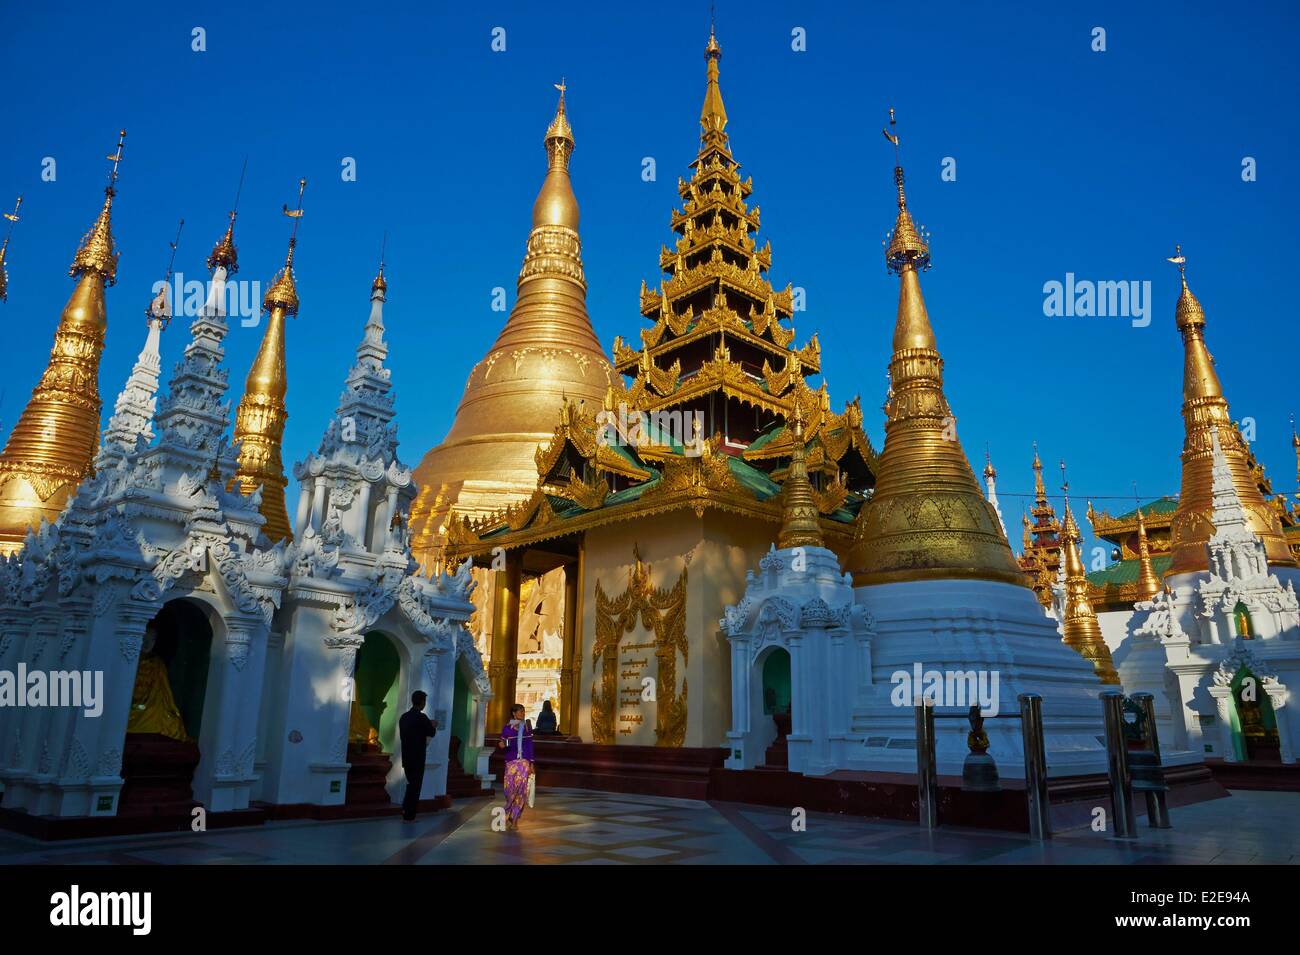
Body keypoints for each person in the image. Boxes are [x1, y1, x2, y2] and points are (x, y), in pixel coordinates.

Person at [398, 691, 438, 821]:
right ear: (422, 702)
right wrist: (433, 725)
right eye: (424, 702)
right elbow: (431, 733)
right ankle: (409, 814)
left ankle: (405, 809)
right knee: (415, 786)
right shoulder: (422, 718)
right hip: (418, 757)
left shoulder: (404, 717)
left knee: (411, 783)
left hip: (406, 756)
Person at [498, 704, 535, 829]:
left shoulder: (527, 727)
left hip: (524, 762)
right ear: (514, 713)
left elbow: (530, 746)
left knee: (521, 790)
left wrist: (531, 763)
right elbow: (502, 743)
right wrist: (502, 745)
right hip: (511, 762)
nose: (523, 713)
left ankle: (514, 820)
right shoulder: (507, 728)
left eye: (524, 711)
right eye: (520, 711)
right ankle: (507, 812)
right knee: (510, 791)